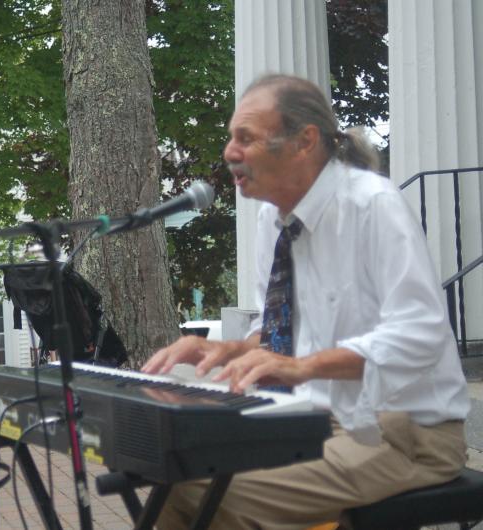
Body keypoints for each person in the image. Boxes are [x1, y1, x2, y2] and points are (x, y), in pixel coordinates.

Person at [142, 74, 470, 529]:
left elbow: (421, 335)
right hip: (310, 421)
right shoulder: (269, 220)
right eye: (230, 138)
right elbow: (282, 334)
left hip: (404, 432)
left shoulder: (371, 204)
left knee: (209, 492)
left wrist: (304, 367)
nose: (229, 152)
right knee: (175, 473)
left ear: (304, 141)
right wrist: (229, 350)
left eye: (246, 138)